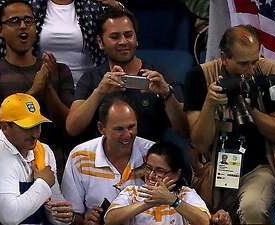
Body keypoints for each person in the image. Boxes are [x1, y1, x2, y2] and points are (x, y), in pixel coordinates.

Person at [185, 25, 275, 225]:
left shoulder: (269, 73)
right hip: (214, 170)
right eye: (243, 64)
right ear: (224, 58)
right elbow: (199, 144)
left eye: (254, 62)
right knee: (205, 219)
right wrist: (210, 103)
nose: (250, 71)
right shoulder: (199, 76)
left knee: (253, 208)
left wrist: (251, 110)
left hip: (258, 168)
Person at [66, 6, 188, 141]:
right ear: (101, 42)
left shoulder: (159, 78)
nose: (123, 41)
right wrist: (99, 92)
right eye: (115, 37)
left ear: (136, 39)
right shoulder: (91, 79)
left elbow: (185, 130)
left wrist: (167, 95)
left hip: (148, 157)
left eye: (128, 35)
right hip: (103, 157)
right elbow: (72, 128)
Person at [0, 0, 75, 150]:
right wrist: (33, 91)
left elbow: (68, 127)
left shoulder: (59, 70)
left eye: (28, 20)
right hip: (6, 158)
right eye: (14, 21)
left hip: (53, 157)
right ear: (0, 30)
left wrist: (48, 89)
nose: (22, 26)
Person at [61, 96, 153, 225]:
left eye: (131, 127)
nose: (127, 135)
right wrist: (84, 220)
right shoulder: (80, 156)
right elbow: (71, 213)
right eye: (119, 129)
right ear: (101, 128)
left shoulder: (152, 154)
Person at [0, 92, 74, 225]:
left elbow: (53, 209)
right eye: (27, 127)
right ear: (4, 127)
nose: (35, 134)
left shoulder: (44, 150)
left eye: (37, 125)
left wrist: (64, 216)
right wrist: (43, 183)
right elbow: (9, 217)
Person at [104, 140, 230, 225]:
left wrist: (172, 200)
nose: (152, 175)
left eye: (160, 171)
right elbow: (110, 219)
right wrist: (148, 203)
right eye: (148, 168)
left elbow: (203, 221)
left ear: (176, 174)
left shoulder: (185, 194)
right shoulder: (132, 192)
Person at [32, 0, 106, 85]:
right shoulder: (33, 7)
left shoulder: (93, 7)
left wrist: (118, 7)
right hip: (44, 85)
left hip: (85, 87)